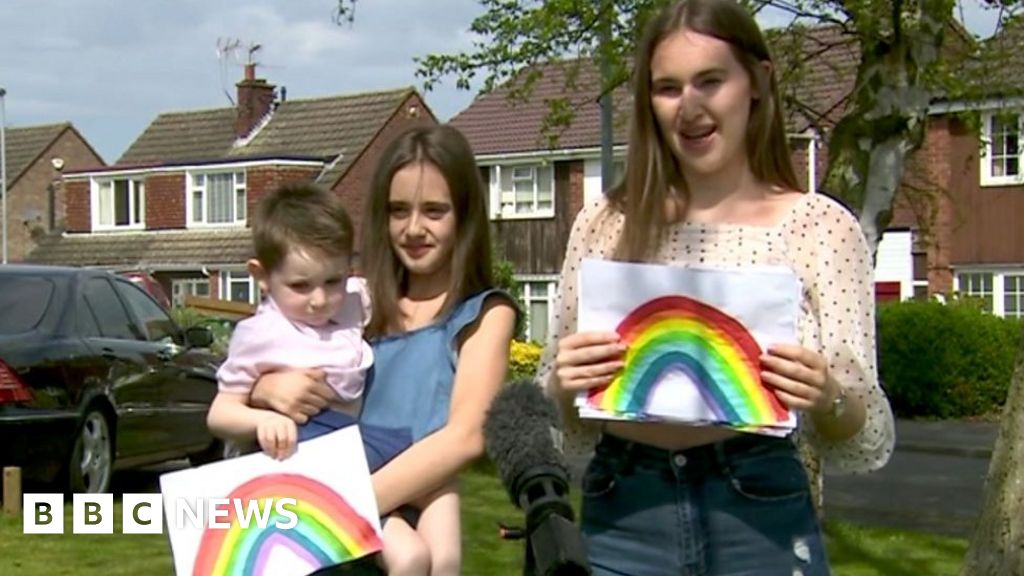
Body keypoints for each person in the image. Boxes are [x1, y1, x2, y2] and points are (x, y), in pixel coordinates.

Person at [537, 1, 896, 574]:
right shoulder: (604, 223)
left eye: (711, 81)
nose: (691, 107)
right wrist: (562, 383)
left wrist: (825, 391)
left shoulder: (821, 229)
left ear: (757, 81)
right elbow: (561, 412)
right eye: (668, 88)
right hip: (624, 508)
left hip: (761, 512)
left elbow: (867, 431)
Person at [246, 125, 518, 576]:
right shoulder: (353, 303)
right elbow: (269, 356)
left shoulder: (484, 314)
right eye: (397, 211)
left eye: (434, 211)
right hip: (336, 513)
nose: (413, 228)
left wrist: (346, 504)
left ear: (464, 216)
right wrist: (269, 388)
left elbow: (465, 437)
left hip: (397, 515)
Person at [206, 182, 410, 469]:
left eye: (332, 281)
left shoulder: (353, 300)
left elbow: (402, 294)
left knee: (428, 471)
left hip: (351, 437)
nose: (320, 300)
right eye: (300, 285)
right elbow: (220, 414)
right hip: (296, 444)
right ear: (262, 275)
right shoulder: (260, 334)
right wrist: (264, 420)